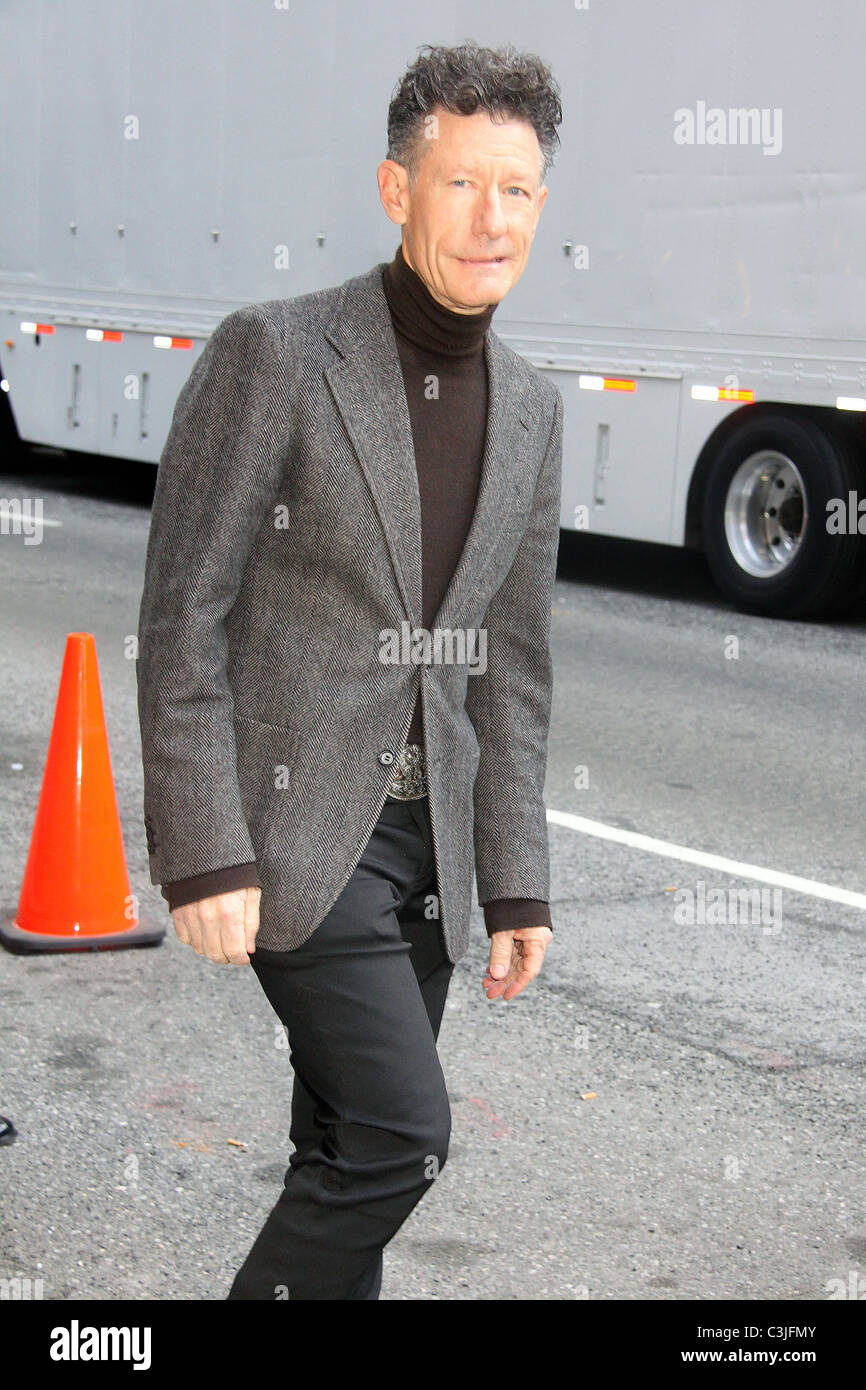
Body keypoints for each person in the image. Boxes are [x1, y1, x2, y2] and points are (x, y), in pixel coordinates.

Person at [136, 40, 564, 1300]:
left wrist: (516, 880)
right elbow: (182, 616)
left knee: (339, 1147)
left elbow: (513, 666)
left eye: (518, 189)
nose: (491, 219)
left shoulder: (533, 409)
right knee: (398, 1137)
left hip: (425, 853)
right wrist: (204, 850)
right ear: (396, 191)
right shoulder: (276, 353)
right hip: (292, 829)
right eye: (460, 184)